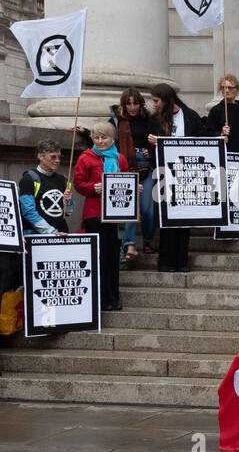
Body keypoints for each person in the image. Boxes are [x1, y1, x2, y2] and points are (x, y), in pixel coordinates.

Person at [146, 83, 204, 272]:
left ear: (166, 99)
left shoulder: (191, 116)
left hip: (187, 175)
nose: (154, 104)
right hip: (165, 174)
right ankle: (166, 261)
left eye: (156, 101)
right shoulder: (155, 120)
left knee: (184, 219)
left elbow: (200, 143)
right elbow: (151, 149)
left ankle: (182, 261)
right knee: (168, 218)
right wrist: (155, 146)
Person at [72, 122, 129, 312]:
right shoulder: (86, 158)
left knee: (113, 257)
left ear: (112, 139)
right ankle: (101, 299)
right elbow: (78, 183)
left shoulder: (120, 159)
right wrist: (92, 188)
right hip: (94, 214)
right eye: (96, 137)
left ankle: (114, 298)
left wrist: (133, 188)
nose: (100, 141)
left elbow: (125, 181)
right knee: (99, 257)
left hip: (115, 214)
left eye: (104, 137)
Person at [110, 87, 162, 263]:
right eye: (128, 103)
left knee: (148, 209)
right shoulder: (117, 121)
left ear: (141, 104)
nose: (132, 107)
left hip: (147, 167)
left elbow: (160, 141)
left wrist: (150, 150)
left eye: (135, 103)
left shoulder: (150, 120)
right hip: (125, 167)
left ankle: (147, 238)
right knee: (128, 208)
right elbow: (104, 139)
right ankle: (130, 245)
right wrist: (85, 132)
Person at [18, 139, 72, 235]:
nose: (57, 160)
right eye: (53, 157)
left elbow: (68, 213)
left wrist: (68, 203)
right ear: (40, 156)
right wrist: (51, 232)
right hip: (36, 236)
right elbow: (28, 211)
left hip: (61, 233)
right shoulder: (29, 179)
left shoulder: (63, 179)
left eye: (59, 157)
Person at [205, 74, 239, 153]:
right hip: (224, 154)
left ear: (237, 89)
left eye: (230, 88)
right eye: (223, 88)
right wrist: (220, 134)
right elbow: (207, 133)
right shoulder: (216, 110)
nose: (227, 90)